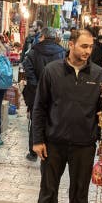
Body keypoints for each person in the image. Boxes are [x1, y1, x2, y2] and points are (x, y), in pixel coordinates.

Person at [32, 28, 102, 203]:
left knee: (80, 193)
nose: (87, 51)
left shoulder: (99, 75)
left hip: (84, 144)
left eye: (90, 47)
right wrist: (37, 140)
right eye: (84, 46)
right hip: (54, 142)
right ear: (71, 44)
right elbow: (39, 107)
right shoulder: (52, 71)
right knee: (48, 190)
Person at [22, 27, 65, 161]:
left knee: (36, 119)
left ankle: (33, 152)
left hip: (36, 93)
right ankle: (51, 149)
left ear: (43, 37)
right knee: (54, 119)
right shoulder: (62, 52)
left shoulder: (34, 51)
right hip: (56, 93)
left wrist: (36, 86)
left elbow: (28, 70)